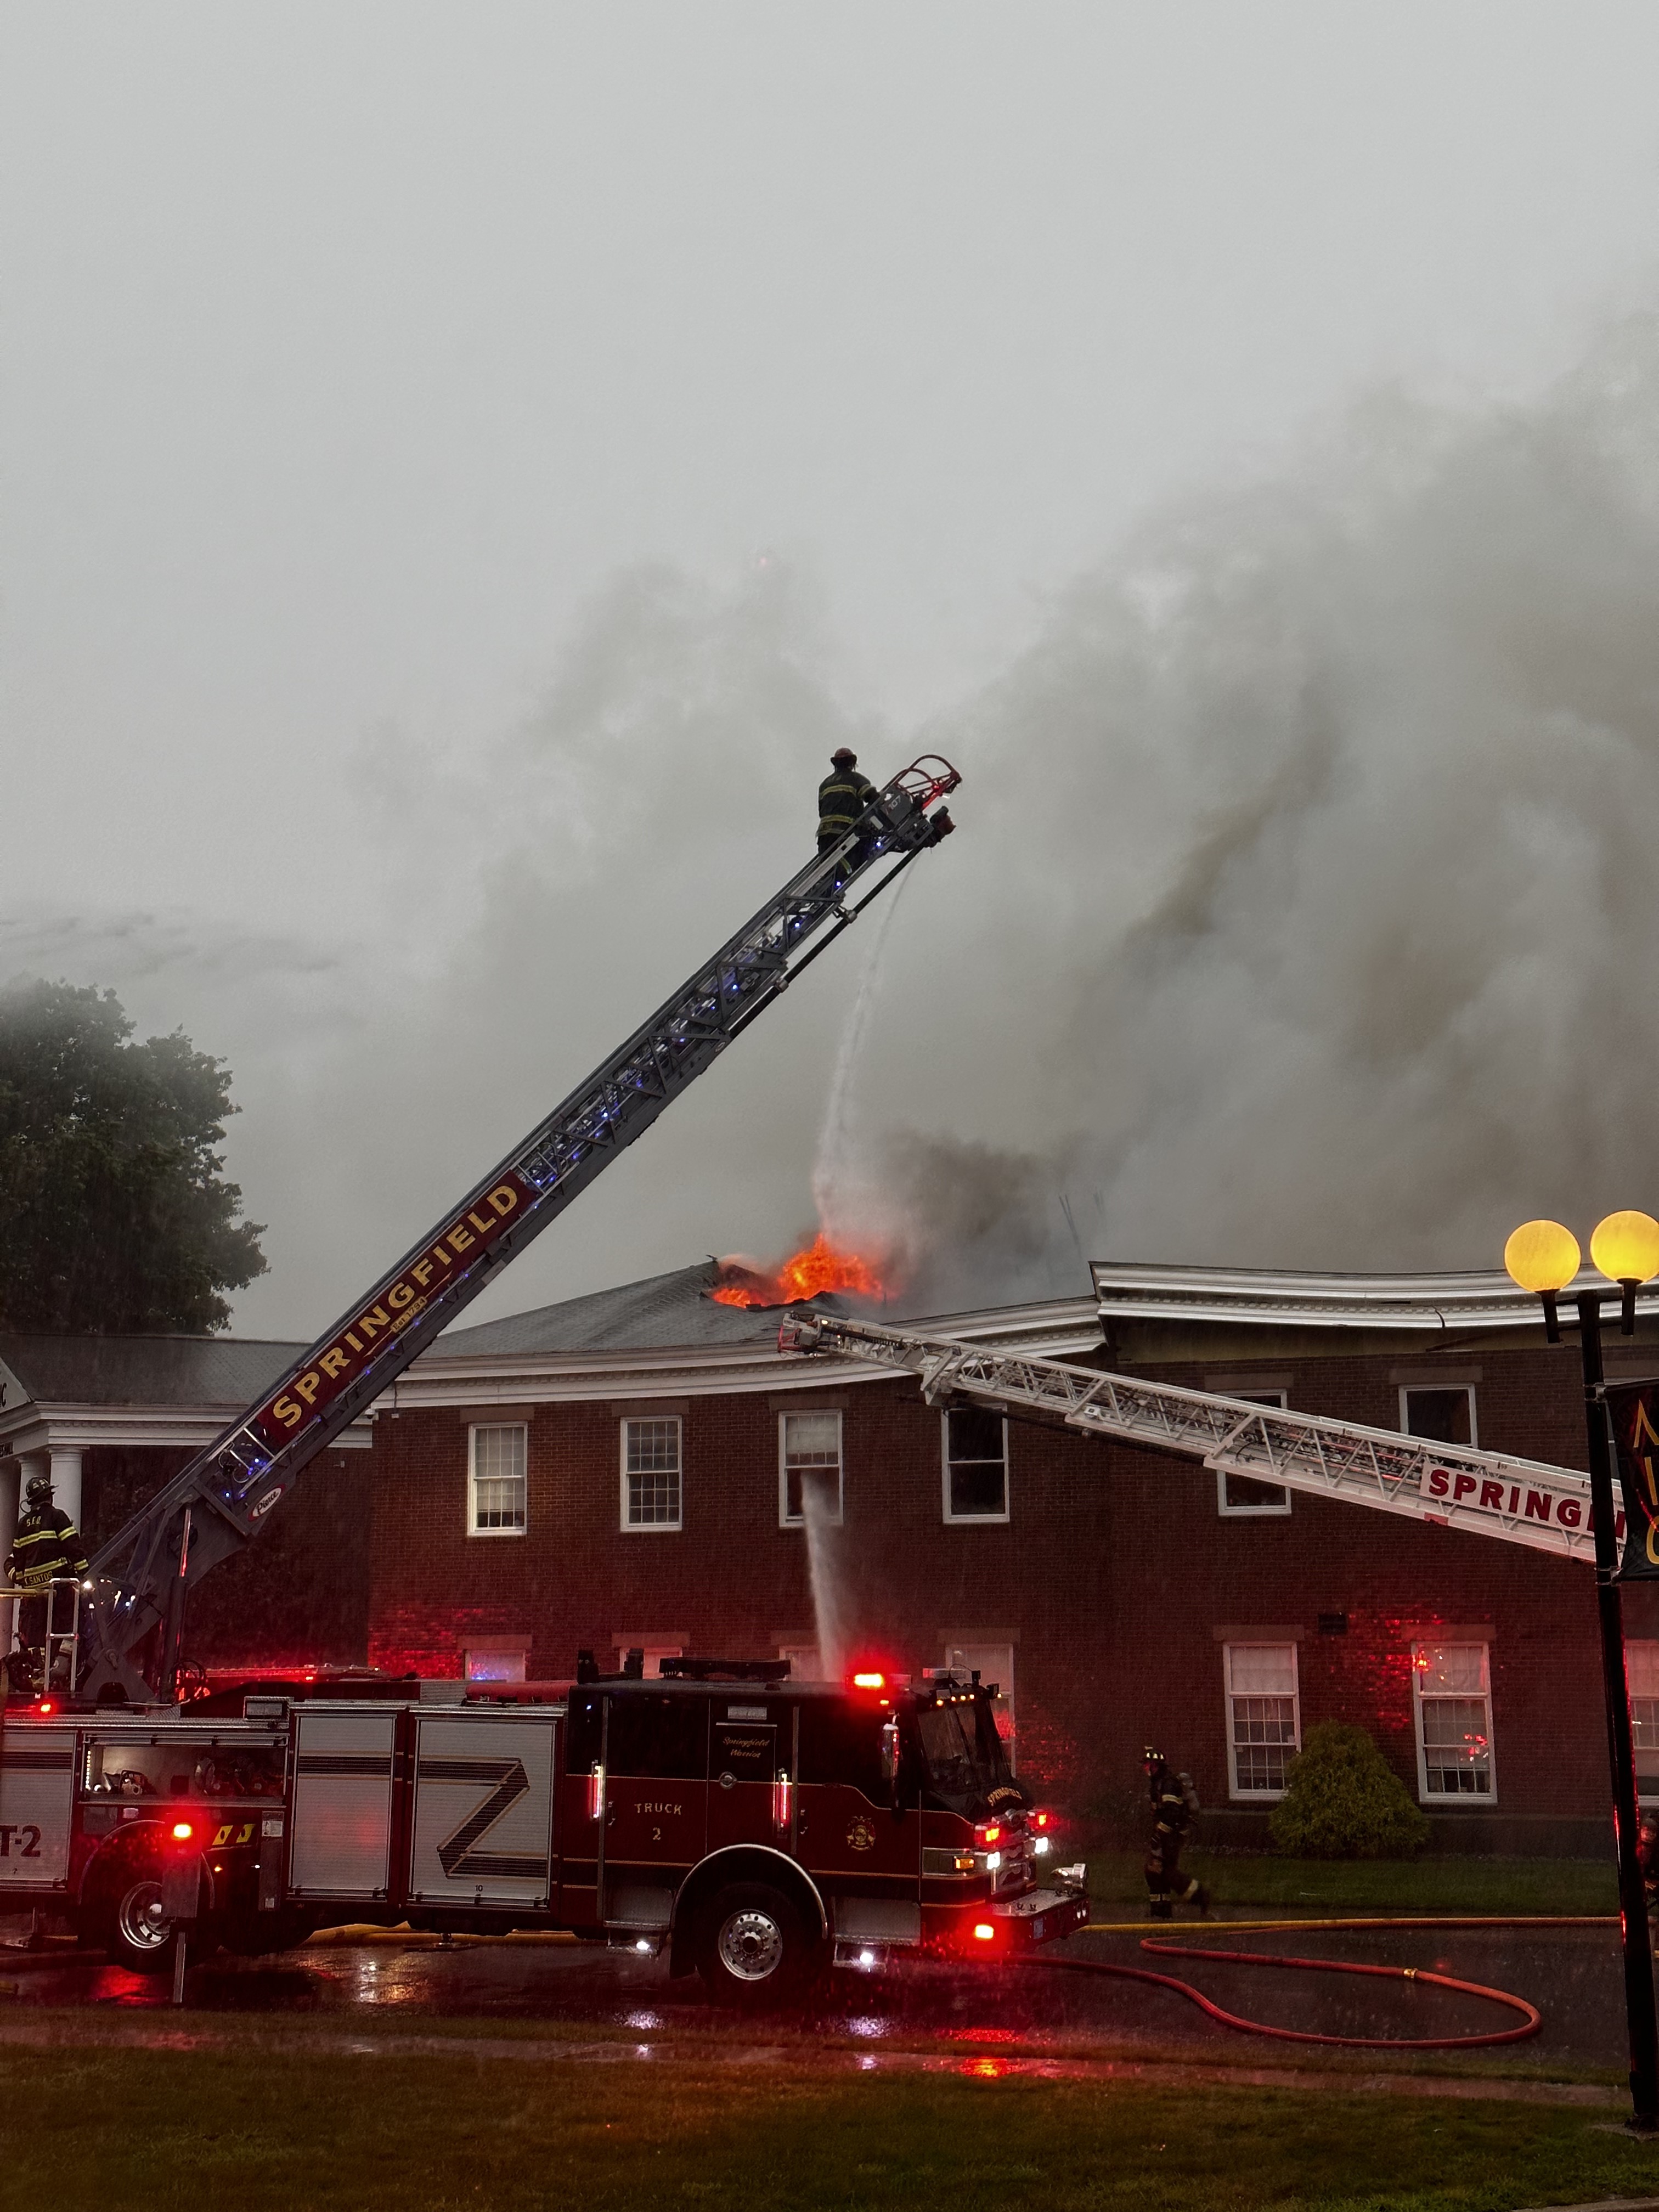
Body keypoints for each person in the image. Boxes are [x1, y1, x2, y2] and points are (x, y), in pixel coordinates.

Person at [5, 1471, 90, 1692]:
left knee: (35, 1634)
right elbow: (74, 1546)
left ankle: (39, 1673)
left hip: (34, 1594)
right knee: (71, 1626)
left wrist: (23, 1579)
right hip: (58, 1589)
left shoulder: (22, 1525)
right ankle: (60, 1670)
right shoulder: (57, 1517)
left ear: (31, 1502)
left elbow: (18, 1560)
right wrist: (84, 1575)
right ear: (49, 1497)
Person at [1144, 1745, 1210, 1921]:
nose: (1145, 1769)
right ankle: (1161, 1911)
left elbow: (1172, 1813)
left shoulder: (1168, 1784)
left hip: (1171, 1836)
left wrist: (1160, 1834)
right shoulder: (1159, 1783)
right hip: (1168, 1835)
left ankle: (1200, 1896)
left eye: (1147, 1765)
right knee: (1155, 1871)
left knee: (1165, 1871)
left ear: (1155, 1766)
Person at [817, 747, 878, 854]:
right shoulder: (856, 779)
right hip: (846, 833)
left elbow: (821, 812)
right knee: (860, 856)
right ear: (852, 763)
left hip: (824, 836)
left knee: (828, 867)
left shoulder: (824, 784)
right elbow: (872, 797)